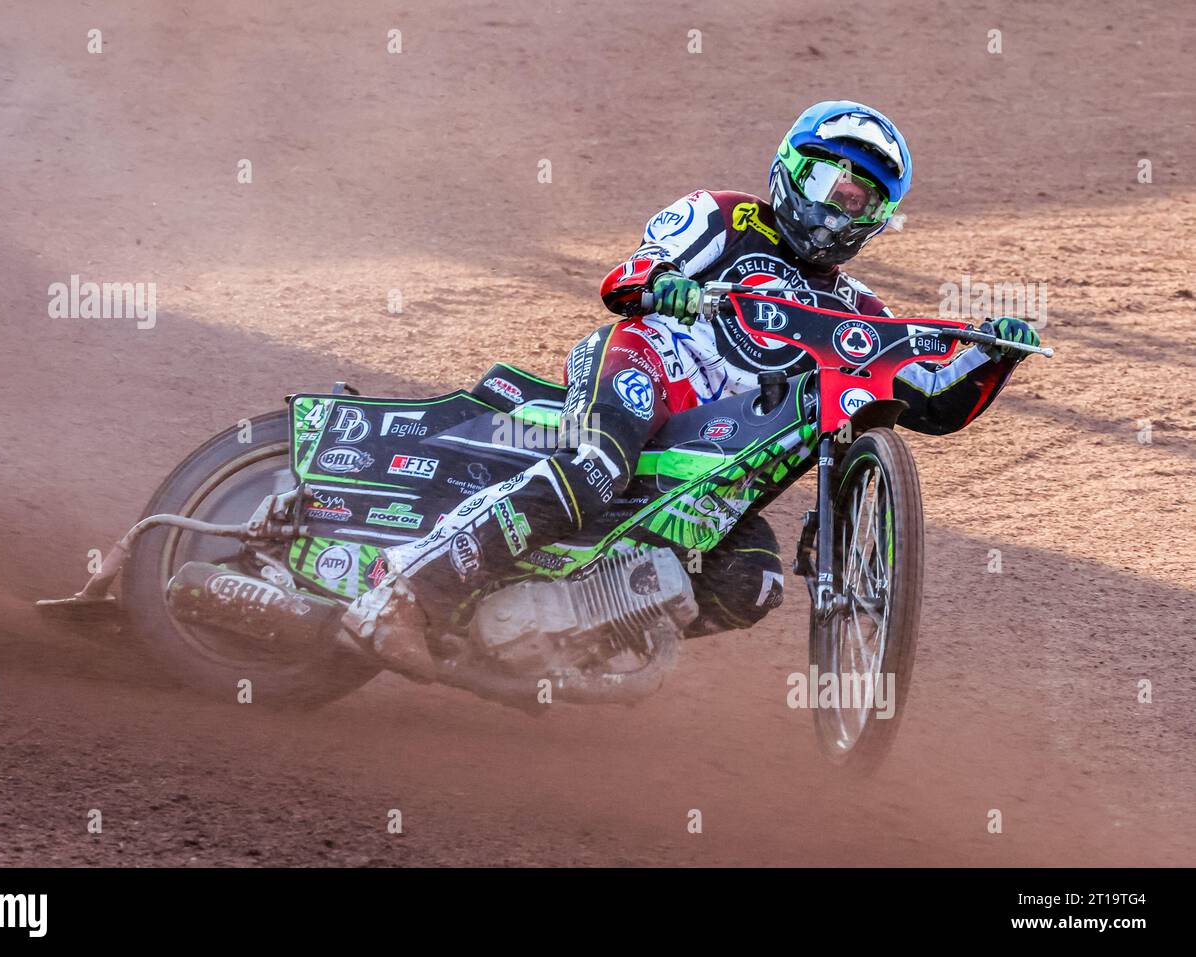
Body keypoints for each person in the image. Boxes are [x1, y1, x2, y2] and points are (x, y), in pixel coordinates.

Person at [343, 100, 1041, 679]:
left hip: (707, 459)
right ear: (791, 172)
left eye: (861, 201)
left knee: (754, 578)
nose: (840, 209)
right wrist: (666, 284)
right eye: (832, 184)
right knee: (599, 464)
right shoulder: (727, 217)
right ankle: (403, 589)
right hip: (644, 366)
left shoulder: (859, 311)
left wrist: (993, 357)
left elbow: (932, 401)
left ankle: (557, 640)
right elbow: (628, 275)